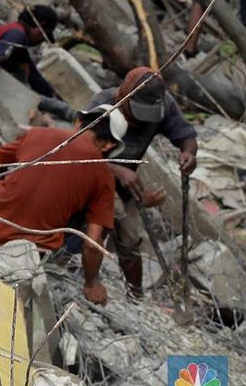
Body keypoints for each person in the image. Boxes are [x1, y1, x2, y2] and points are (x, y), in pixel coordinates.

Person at [0, 105, 128, 305]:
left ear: (78, 122)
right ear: (109, 145)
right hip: (38, 246)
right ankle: (53, 264)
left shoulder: (37, 134)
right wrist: (91, 283)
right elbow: (92, 242)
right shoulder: (103, 175)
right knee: (94, 220)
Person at [84, 67, 198, 295]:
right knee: (102, 225)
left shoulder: (163, 104)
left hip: (127, 186)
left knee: (130, 238)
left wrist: (189, 152)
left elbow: (186, 135)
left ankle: (135, 295)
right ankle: (87, 282)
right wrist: (117, 170)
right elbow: (79, 153)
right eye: (135, 111)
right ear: (125, 93)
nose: (139, 119)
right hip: (93, 177)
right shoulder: (104, 105)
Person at [0, 5, 76, 121]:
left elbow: (34, 76)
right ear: (41, 25)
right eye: (44, 35)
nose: (41, 40)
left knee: (24, 68)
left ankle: (62, 108)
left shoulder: (18, 36)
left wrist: (52, 94)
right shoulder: (17, 35)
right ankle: (67, 111)